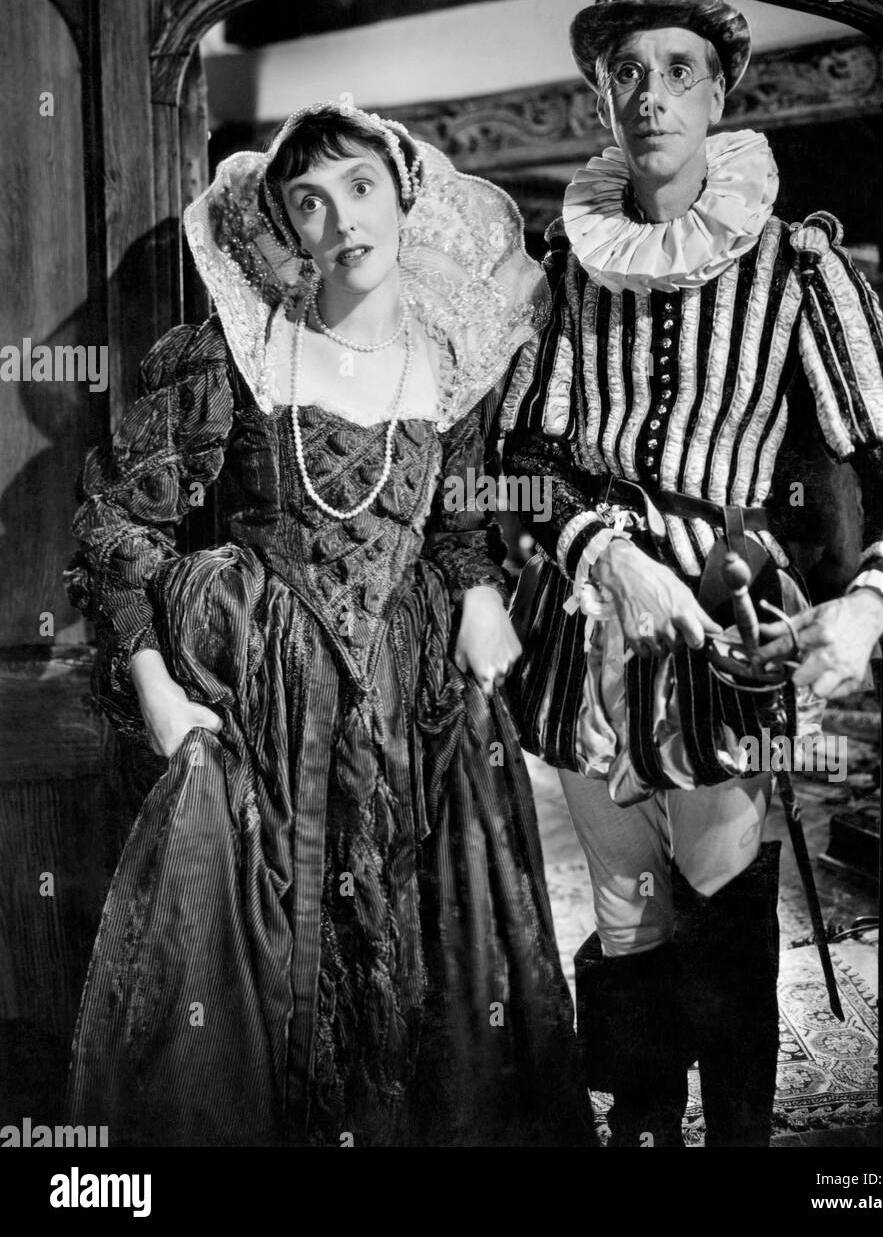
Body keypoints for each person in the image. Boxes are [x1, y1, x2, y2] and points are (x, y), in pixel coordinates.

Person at [64, 101, 594, 1148]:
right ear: (287, 228)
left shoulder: (449, 371)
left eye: (356, 186)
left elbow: (457, 528)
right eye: (307, 200)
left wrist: (479, 587)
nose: (339, 217)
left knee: (436, 978)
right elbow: (119, 520)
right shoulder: (239, 360)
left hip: (410, 715)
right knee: (257, 987)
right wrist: (159, 691)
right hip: (264, 716)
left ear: (404, 195)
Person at [500, 0, 883, 1147]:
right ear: (601, 88)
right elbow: (527, 459)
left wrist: (868, 602)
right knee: (626, 908)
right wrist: (608, 554)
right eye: (627, 69)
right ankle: (639, 1127)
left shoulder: (799, 267)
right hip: (589, 621)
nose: (650, 96)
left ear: (721, 86)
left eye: (677, 67)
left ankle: (742, 1133)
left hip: (730, 626)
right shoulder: (567, 264)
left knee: (727, 898)